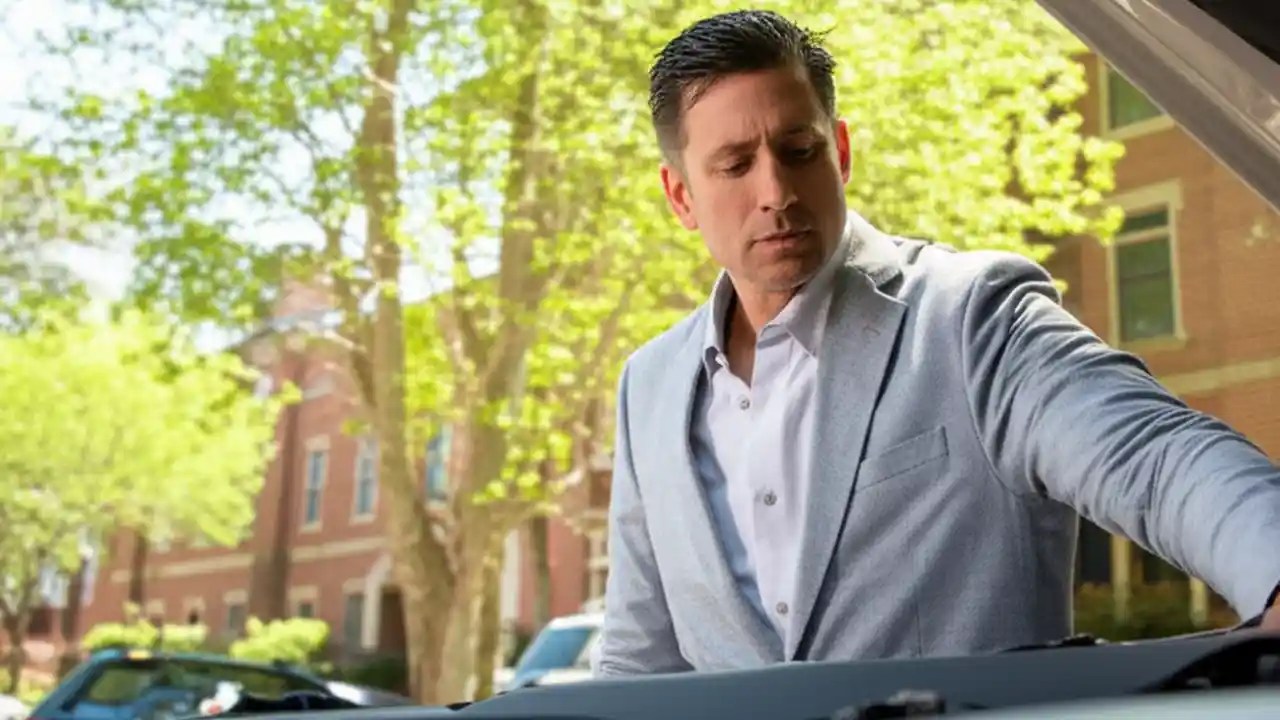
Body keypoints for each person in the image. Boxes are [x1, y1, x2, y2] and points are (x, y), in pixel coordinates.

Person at [594, 9, 1280, 677]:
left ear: (839, 151)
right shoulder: (649, 387)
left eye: (797, 151)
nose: (775, 190)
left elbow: (1159, 460)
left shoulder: (974, 315)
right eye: (736, 165)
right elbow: (637, 660)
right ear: (680, 196)